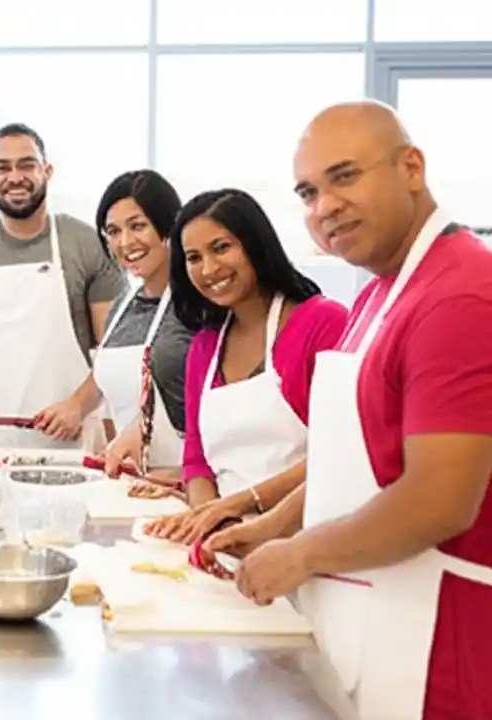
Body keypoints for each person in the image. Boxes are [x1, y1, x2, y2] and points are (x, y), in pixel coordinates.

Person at [214, 101, 492, 720]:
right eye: (309, 193)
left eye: (345, 177)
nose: (324, 208)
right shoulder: (378, 293)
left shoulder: (461, 295)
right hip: (367, 622)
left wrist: (303, 552)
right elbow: (354, 462)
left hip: (436, 648)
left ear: (411, 167)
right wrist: (272, 526)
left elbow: (441, 499)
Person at [143, 188, 348, 545]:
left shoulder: (323, 322)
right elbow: (197, 458)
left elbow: (340, 452)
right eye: (193, 257)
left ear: (256, 244)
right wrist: (208, 521)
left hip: (310, 543)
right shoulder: (205, 347)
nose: (208, 269)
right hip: (231, 541)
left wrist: (235, 506)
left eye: (221, 248)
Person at [0, 123, 127, 447]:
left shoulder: (88, 246)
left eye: (27, 165)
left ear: (47, 171)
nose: (15, 177)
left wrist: (78, 406)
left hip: (71, 446)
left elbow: (117, 351)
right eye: (2, 168)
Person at [83, 170, 196, 479]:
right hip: (133, 478)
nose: (125, 242)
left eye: (137, 226)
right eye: (113, 231)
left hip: (187, 482)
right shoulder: (122, 305)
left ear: (168, 226)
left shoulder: (196, 304)